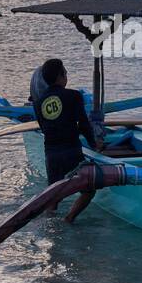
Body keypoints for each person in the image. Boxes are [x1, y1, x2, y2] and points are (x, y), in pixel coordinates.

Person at [34, 58, 99, 222]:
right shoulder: (74, 95)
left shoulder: (38, 102)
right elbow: (84, 124)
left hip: (52, 155)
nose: (67, 75)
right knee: (89, 189)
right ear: (60, 76)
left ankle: (50, 225)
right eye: (65, 72)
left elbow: (44, 128)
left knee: (53, 196)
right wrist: (94, 144)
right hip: (72, 152)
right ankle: (69, 218)